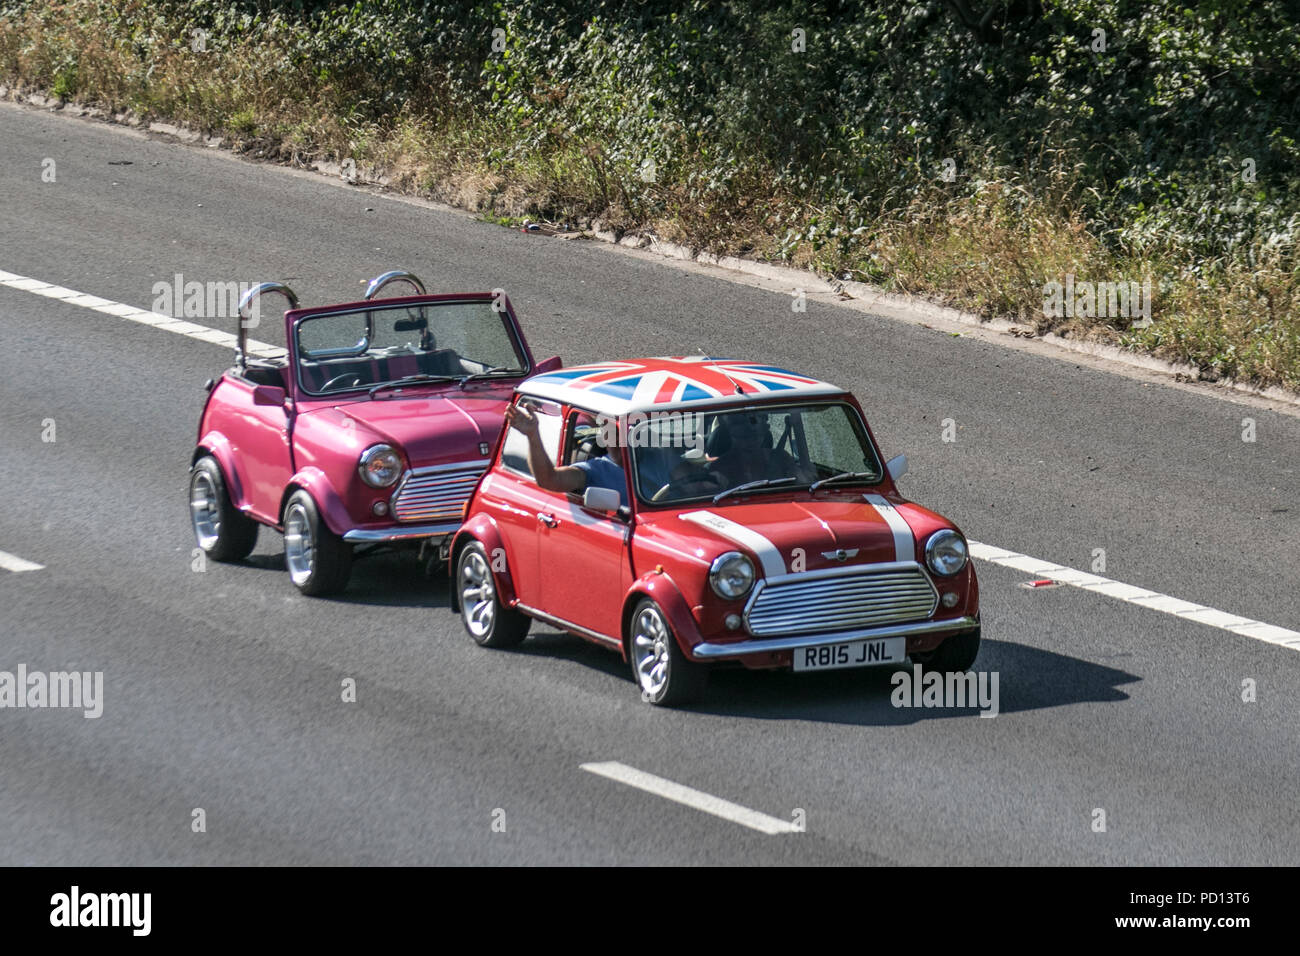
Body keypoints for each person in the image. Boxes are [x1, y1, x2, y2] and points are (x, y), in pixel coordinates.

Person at [504, 402, 629, 507]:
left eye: (622, 432)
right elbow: (549, 479)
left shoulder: (647, 461)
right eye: (610, 432)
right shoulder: (596, 469)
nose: (617, 439)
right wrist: (533, 436)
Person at [706, 412, 817, 488]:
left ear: (764, 433)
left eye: (755, 436)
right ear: (731, 435)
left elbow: (805, 482)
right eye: (743, 437)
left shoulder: (781, 458)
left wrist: (802, 474)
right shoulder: (718, 468)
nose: (749, 442)